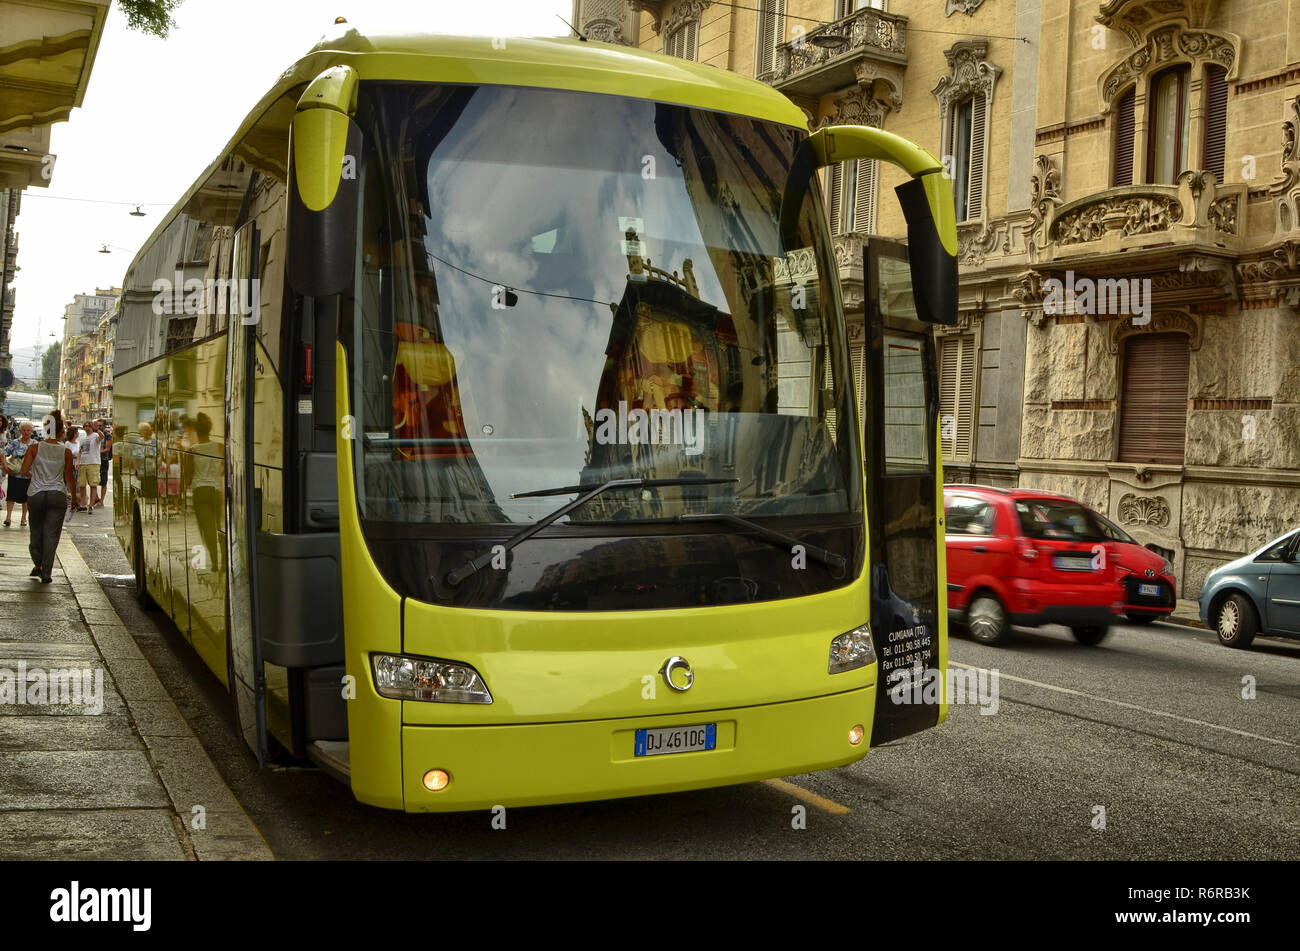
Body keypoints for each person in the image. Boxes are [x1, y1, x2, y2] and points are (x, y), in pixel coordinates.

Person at [21, 411, 76, 583]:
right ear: (61, 432)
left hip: (36, 494)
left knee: (36, 531)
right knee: (51, 535)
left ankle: (37, 563)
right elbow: (69, 478)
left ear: (46, 430)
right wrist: (75, 498)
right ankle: (46, 573)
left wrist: (35, 477)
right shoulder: (66, 452)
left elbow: (24, 470)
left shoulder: (34, 448)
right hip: (57, 494)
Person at [4, 420, 37, 527]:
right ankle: (8, 517)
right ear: (20, 431)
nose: (26, 432)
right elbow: (4, 453)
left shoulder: (35, 444)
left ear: (31, 431)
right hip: (14, 473)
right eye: (24, 430)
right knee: (11, 496)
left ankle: (23, 518)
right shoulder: (14, 442)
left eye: (28, 430)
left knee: (26, 498)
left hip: (28, 475)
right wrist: (5, 467)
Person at [78, 420, 104, 512]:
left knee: (93, 484)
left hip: (93, 462)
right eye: (85, 426)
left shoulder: (95, 435)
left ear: (92, 427)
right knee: (82, 484)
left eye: (89, 426)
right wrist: (78, 461)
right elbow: (80, 451)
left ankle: (91, 505)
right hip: (83, 463)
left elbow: (102, 436)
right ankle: (83, 504)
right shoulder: (83, 438)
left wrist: (97, 430)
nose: (87, 427)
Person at [98, 420, 112, 508]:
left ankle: (101, 501)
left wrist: (97, 452)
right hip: (95, 460)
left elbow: (107, 449)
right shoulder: (95, 434)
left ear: (104, 426)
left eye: (100, 425)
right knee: (92, 480)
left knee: (103, 481)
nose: (99, 427)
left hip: (103, 460)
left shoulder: (108, 435)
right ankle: (96, 498)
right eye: (98, 425)